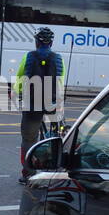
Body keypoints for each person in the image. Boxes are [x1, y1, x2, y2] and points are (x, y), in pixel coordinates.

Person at [15, 27, 66, 181]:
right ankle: (55, 169)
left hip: (32, 103)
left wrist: (18, 93)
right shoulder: (58, 58)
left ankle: (27, 174)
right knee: (58, 136)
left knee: (29, 139)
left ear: (36, 42)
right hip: (52, 103)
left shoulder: (28, 57)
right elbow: (60, 80)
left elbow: (20, 78)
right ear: (51, 43)